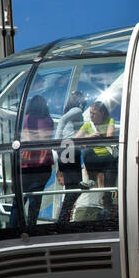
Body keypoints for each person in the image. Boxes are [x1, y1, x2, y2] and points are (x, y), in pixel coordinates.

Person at [77, 101, 119, 221]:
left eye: (94, 113)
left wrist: (99, 134)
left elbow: (110, 135)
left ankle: (108, 204)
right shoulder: (87, 125)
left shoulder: (110, 120)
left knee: (108, 185)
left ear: (102, 113)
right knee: (87, 152)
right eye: (90, 113)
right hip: (94, 158)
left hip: (107, 157)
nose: (91, 116)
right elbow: (75, 139)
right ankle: (91, 180)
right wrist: (89, 137)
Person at [18, 95, 55, 228]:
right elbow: (47, 138)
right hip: (43, 165)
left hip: (26, 164)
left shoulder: (25, 120)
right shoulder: (49, 121)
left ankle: (14, 227)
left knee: (19, 200)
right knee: (35, 200)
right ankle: (32, 226)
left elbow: (25, 139)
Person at [55, 91, 87, 223]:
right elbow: (62, 121)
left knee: (71, 187)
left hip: (65, 148)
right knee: (74, 187)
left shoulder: (69, 111)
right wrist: (56, 141)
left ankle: (63, 219)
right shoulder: (77, 110)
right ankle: (62, 219)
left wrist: (58, 144)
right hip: (69, 148)